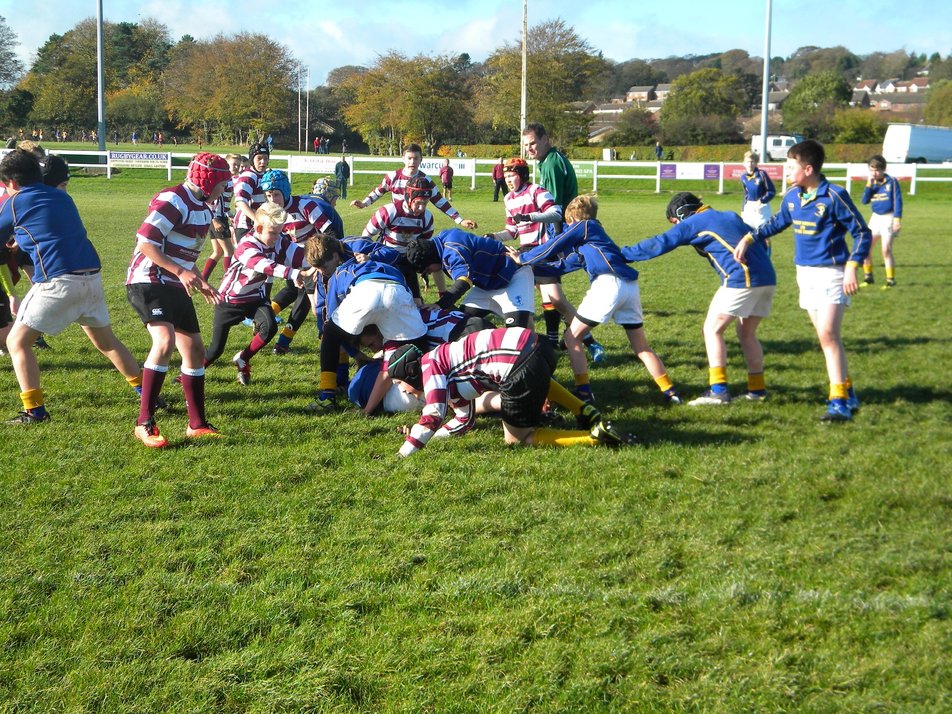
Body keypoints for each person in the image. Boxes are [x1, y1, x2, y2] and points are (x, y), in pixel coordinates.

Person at [0, 150, 144, 425]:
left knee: (16, 342)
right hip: (91, 277)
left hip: (58, 281)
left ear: (12, 183)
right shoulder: (62, 197)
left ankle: (34, 411)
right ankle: (147, 394)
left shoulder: (14, 201)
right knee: (107, 343)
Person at [734, 139, 870, 422]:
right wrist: (749, 237)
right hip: (805, 273)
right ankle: (847, 390)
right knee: (825, 337)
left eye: (790, 167)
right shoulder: (793, 197)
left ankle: (838, 402)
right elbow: (777, 222)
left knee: (828, 334)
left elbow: (861, 232)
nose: (786, 172)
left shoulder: (834, 195)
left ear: (808, 169)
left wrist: (852, 266)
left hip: (833, 272)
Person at [511, 194, 682, 406]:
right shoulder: (592, 240)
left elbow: (555, 243)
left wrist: (524, 258)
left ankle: (584, 393)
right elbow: (562, 266)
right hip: (629, 287)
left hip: (609, 285)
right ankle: (671, 393)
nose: (568, 227)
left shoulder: (584, 226)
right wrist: (527, 269)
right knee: (641, 346)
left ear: (573, 218)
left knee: (571, 338)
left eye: (568, 223)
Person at [624, 192, 776, 405]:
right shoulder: (729, 215)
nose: (676, 225)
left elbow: (661, 242)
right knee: (746, 333)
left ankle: (719, 391)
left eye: (674, 221)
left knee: (712, 330)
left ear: (681, 213)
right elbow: (762, 242)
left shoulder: (695, 221)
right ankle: (757, 390)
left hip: (742, 278)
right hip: (767, 277)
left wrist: (621, 254)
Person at [388, 328, 633, 457]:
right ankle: (584, 410)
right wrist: (432, 439)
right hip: (539, 346)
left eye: (399, 383)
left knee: (517, 439)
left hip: (521, 364)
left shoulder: (430, 366)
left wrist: (403, 453)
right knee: (537, 379)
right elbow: (464, 419)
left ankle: (595, 437)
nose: (402, 390)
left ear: (411, 373)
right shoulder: (444, 364)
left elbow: (433, 414)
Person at [126, 152, 231, 447]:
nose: (225, 189)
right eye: (222, 183)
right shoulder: (173, 199)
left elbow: (183, 255)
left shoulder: (204, 209)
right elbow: (146, 243)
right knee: (164, 341)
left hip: (174, 282)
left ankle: (196, 424)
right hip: (148, 280)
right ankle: (144, 423)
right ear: (208, 182)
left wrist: (198, 279)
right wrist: (181, 272)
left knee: (195, 350)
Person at [303, 234, 428, 412]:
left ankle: (327, 395)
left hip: (365, 291)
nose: (321, 272)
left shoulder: (340, 272)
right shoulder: (387, 267)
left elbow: (330, 316)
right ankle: (434, 386)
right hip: (398, 291)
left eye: (323, 267)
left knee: (330, 332)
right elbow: (403, 267)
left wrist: (350, 348)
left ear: (336, 257)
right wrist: (416, 301)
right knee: (417, 344)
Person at [204, 202, 313, 385]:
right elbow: (263, 265)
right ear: (260, 228)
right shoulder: (246, 245)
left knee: (270, 328)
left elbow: (301, 256)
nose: (278, 238)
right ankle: (188, 374)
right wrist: (294, 273)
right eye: (273, 233)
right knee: (215, 351)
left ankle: (242, 358)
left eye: (280, 232)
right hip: (229, 301)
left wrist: (320, 262)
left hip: (256, 298)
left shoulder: (278, 241)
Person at [266, 172, 344, 355]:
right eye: (268, 195)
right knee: (305, 299)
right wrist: (291, 269)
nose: (272, 199)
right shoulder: (274, 212)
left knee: (310, 303)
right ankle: (273, 331)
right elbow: (282, 241)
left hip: (314, 260)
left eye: (276, 194)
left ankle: (284, 340)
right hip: (296, 261)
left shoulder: (305, 205)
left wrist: (319, 263)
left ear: (285, 192)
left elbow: (330, 233)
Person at [404, 230, 535, 329]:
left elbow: (464, 280)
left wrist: (440, 304)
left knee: (518, 333)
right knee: (460, 323)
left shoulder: (452, 250)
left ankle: (538, 346)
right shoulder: (441, 241)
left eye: (428, 269)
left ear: (431, 258)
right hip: (487, 284)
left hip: (513, 276)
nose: (430, 272)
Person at [350, 143, 477, 230]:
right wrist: (364, 203)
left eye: (416, 158)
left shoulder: (426, 181)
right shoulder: (393, 176)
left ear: (421, 159)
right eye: (409, 158)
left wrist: (460, 220)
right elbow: (378, 192)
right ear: (403, 159)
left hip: (417, 226)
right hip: (395, 223)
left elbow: (440, 201)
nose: (412, 161)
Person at [860, 154, 902, 289]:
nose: (874, 173)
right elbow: (864, 201)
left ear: (884, 169)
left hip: (889, 217)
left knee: (886, 249)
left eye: (877, 170)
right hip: (875, 218)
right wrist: (869, 185)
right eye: (872, 170)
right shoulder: (872, 183)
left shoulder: (891, 182)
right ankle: (868, 278)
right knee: (866, 248)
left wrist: (897, 220)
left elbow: (898, 201)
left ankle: (890, 280)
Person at [200, 153, 241, 282]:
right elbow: (212, 202)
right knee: (229, 251)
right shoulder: (224, 182)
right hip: (216, 218)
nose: (236, 167)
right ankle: (229, 280)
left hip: (218, 217)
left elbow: (225, 204)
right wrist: (214, 220)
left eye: (238, 165)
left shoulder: (230, 181)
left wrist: (231, 215)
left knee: (217, 252)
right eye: (233, 164)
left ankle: (202, 279)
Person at [232, 143, 270, 241]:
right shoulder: (248, 176)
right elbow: (240, 202)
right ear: (252, 160)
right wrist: (257, 220)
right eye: (259, 158)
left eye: (265, 158)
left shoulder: (267, 175)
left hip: (261, 224)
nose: (263, 162)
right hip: (246, 226)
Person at [739, 151, 776, 232]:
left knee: (763, 233)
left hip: (761, 206)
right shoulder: (743, 177)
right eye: (747, 161)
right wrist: (743, 209)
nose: (750, 164)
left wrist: (761, 200)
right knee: (748, 232)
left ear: (756, 163)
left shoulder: (762, 174)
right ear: (744, 163)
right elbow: (746, 194)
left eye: (752, 161)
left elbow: (771, 191)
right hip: (749, 207)